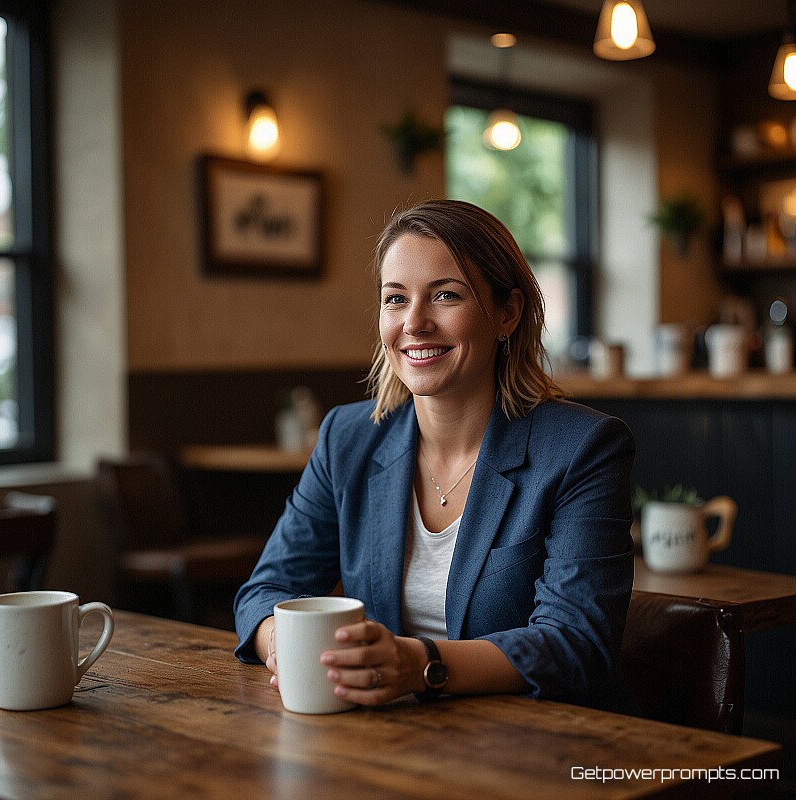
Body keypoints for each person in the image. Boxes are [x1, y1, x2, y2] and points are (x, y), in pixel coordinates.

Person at [234, 199, 635, 710]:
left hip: (545, 745)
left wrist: (418, 665)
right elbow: (265, 590)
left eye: (446, 296)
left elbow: (576, 643)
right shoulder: (347, 437)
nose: (414, 324)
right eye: (395, 299)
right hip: (395, 739)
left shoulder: (584, 447)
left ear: (507, 313)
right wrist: (287, 648)